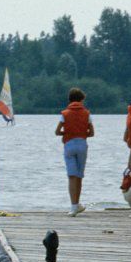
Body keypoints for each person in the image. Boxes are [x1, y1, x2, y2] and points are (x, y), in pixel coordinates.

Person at [55, 87, 94, 216]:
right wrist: (80, 133)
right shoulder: (87, 113)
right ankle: (77, 204)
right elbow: (92, 133)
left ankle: (73, 206)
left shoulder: (64, 113)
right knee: (79, 176)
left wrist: (66, 132)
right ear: (81, 100)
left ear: (70, 100)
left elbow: (57, 131)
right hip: (82, 144)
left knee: (71, 176)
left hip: (69, 145)